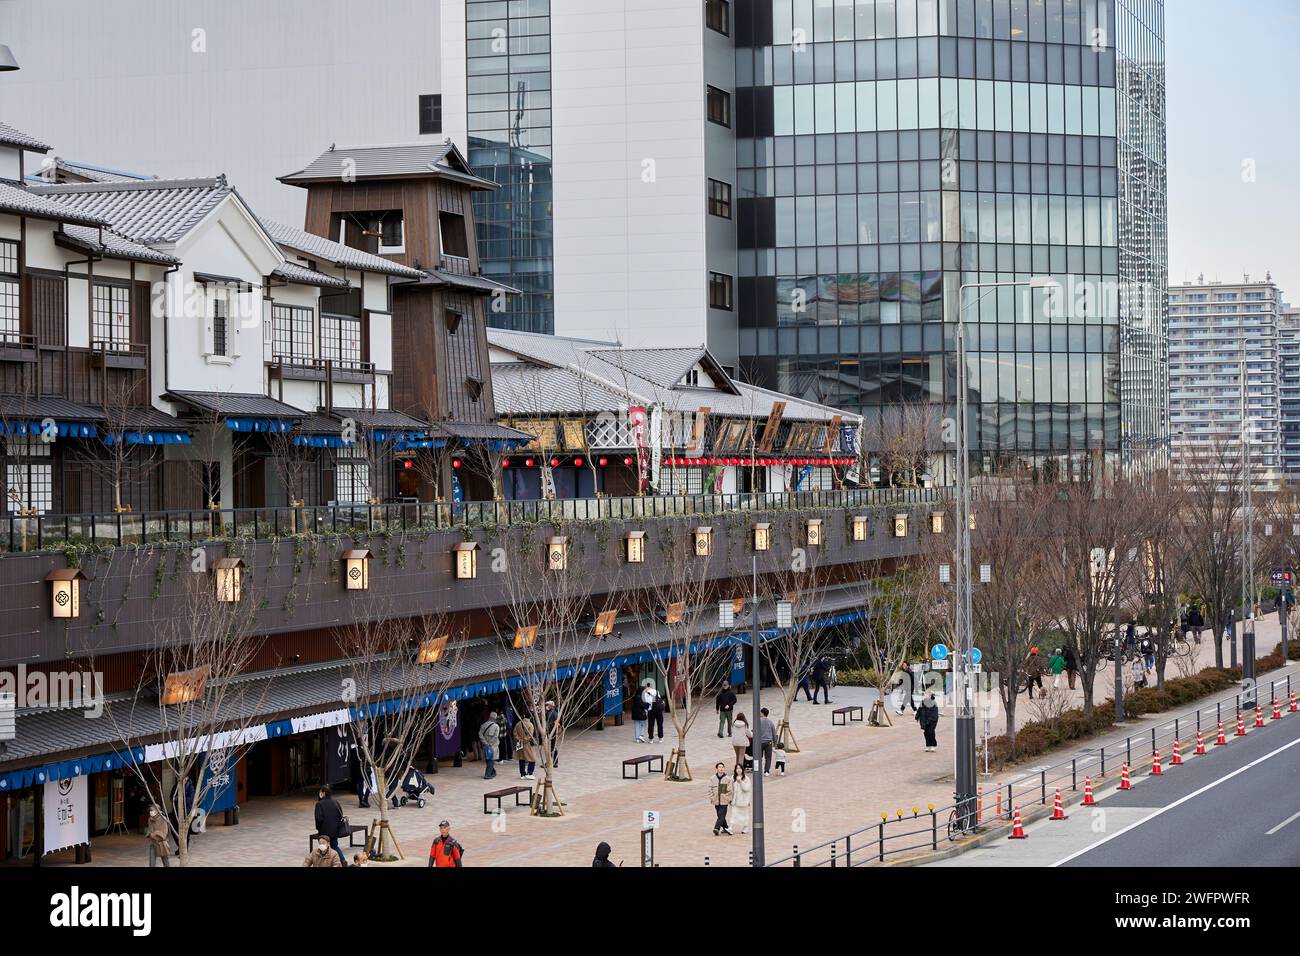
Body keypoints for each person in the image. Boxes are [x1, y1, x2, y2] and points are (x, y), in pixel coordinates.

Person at [313, 785, 349, 867]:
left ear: (323, 793)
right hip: (335, 829)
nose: (319, 793)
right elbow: (340, 815)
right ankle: (342, 861)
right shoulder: (335, 802)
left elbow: (319, 819)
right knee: (334, 846)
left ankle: (326, 863)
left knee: (324, 847)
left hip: (324, 830)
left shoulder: (319, 804)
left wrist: (318, 829)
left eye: (320, 792)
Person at [708, 761, 733, 835]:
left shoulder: (728, 778)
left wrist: (728, 798)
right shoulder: (712, 778)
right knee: (720, 815)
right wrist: (712, 798)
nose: (721, 768)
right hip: (716, 800)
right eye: (719, 767)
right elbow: (710, 789)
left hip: (724, 801)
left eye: (722, 767)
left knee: (721, 815)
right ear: (717, 769)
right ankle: (726, 828)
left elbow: (730, 790)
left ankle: (716, 828)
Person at [727, 764, 753, 835]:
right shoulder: (733, 778)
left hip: (744, 800)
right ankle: (731, 828)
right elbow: (730, 788)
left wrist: (741, 782)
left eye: (740, 768)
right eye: (737, 768)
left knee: (744, 814)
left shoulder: (746, 778)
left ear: (742, 769)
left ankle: (745, 827)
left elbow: (746, 789)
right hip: (735, 800)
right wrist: (730, 798)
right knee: (734, 814)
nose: (738, 770)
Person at [514, 714, 537, 780]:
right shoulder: (530, 725)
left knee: (521, 759)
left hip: (519, 743)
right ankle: (530, 773)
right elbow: (530, 736)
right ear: (530, 717)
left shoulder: (518, 723)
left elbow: (514, 732)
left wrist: (519, 739)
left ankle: (522, 774)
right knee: (532, 758)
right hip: (527, 744)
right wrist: (524, 740)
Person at [479, 711, 501, 780]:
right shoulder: (496, 726)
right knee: (491, 760)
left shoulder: (483, 725)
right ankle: (487, 775)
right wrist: (490, 743)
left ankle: (493, 772)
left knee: (488, 759)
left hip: (485, 746)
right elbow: (496, 736)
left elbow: (480, 734)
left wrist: (485, 742)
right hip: (493, 746)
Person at [757, 707, 777, 775]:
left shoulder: (758, 721)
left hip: (760, 742)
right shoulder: (770, 722)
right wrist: (775, 742)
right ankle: (766, 771)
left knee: (759, 757)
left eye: (760, 712)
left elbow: (755, 731)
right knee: (768, 757)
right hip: (769, 742)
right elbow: (774, 732)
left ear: (762, 713)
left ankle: (758, 770)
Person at [543, 700, 560, 768]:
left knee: (552, 748)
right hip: (550, 732)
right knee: (551, 748)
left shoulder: (554, 713)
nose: (546, 706)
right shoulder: (549, 712)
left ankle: (553, 762)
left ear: (551, 706)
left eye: (547, 705)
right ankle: (552, 762)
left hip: (552, 732)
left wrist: (554, 731)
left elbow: (556, 723)